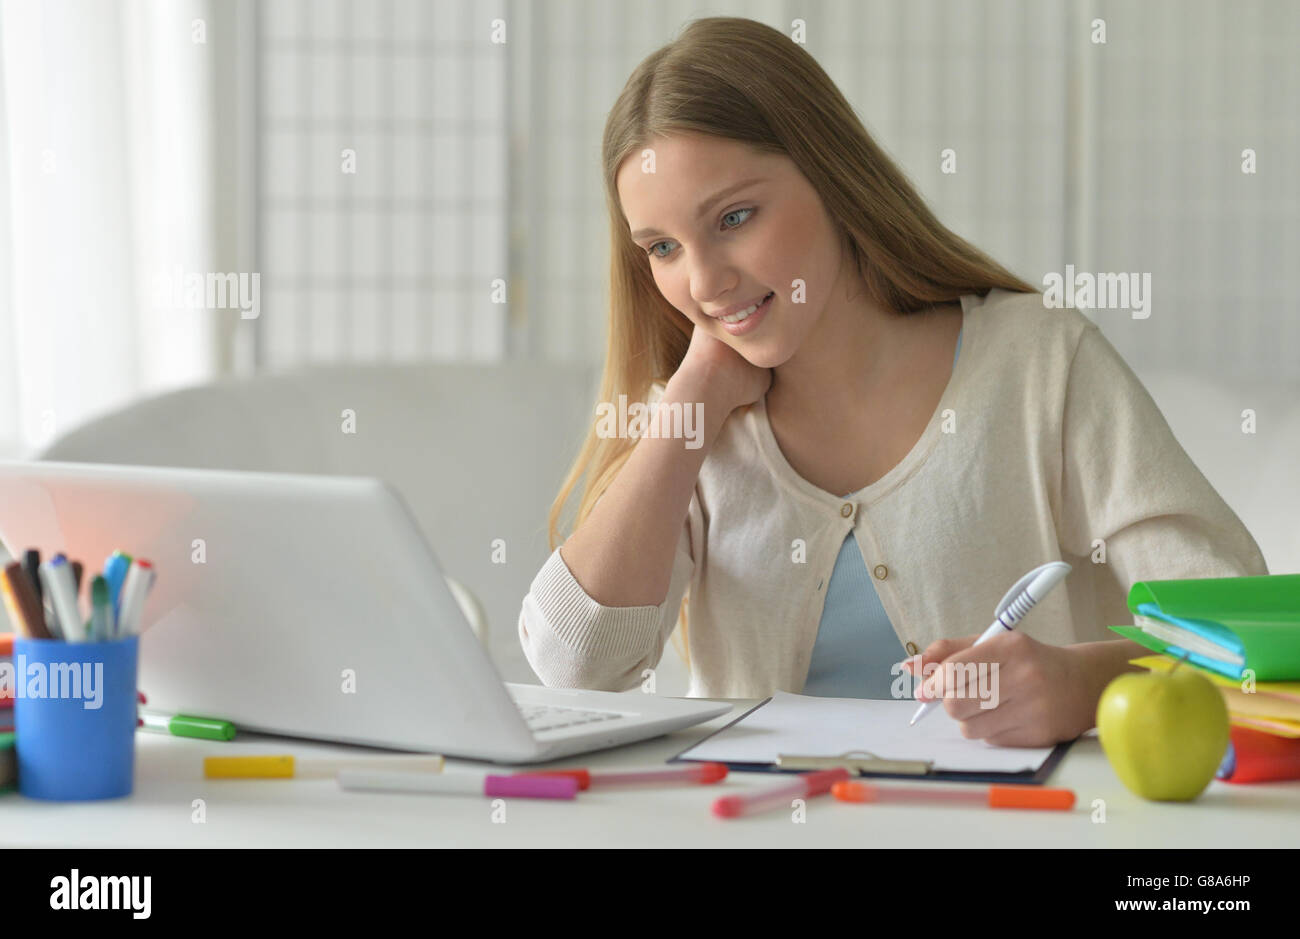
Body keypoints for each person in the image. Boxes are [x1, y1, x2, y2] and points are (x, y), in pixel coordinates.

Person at [517, 16, 1266, 747]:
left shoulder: (1040, 364)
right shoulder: (691, 423)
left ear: (832, 176)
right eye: (663, 247)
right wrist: (691, 402)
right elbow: (575, 665)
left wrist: (1083, 687)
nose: (704, 280)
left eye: (735, 216)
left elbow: (1249, 644)